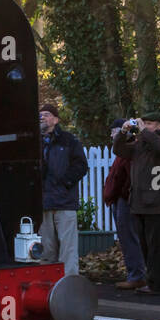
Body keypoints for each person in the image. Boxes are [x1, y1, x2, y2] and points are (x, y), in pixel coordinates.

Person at [112, 111, 160, 294]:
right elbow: (119, 150)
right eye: (143, 122)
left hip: (155, 201)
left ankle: (157, 285)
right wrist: (123, 133)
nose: (144, 126)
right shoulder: (140, 143)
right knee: (145, 246)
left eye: (149, 123)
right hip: (138, 201)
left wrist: (143, 131)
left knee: (155, 246)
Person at [38, 103, 88, 276]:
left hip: (65, 203)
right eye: (40, 114)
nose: (42, 117)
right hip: (43, 203)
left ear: (56, 119)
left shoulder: (69, 140)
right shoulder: (34, 142)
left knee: (68, 249)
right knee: (46, 250)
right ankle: (48, 287)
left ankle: (70, 285)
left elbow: (81, 165)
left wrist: (65, 182)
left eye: (46, 114)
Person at [102, 118, 146, 289]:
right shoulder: (122, 152)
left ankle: (136, 275)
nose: (112, 135)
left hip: (125, 200)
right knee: (126, 238)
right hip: (119, 199)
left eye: (114, 131)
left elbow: (129, 177)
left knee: (129, 238)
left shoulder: (129, 151)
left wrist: (122, 194)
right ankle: (135, 273)